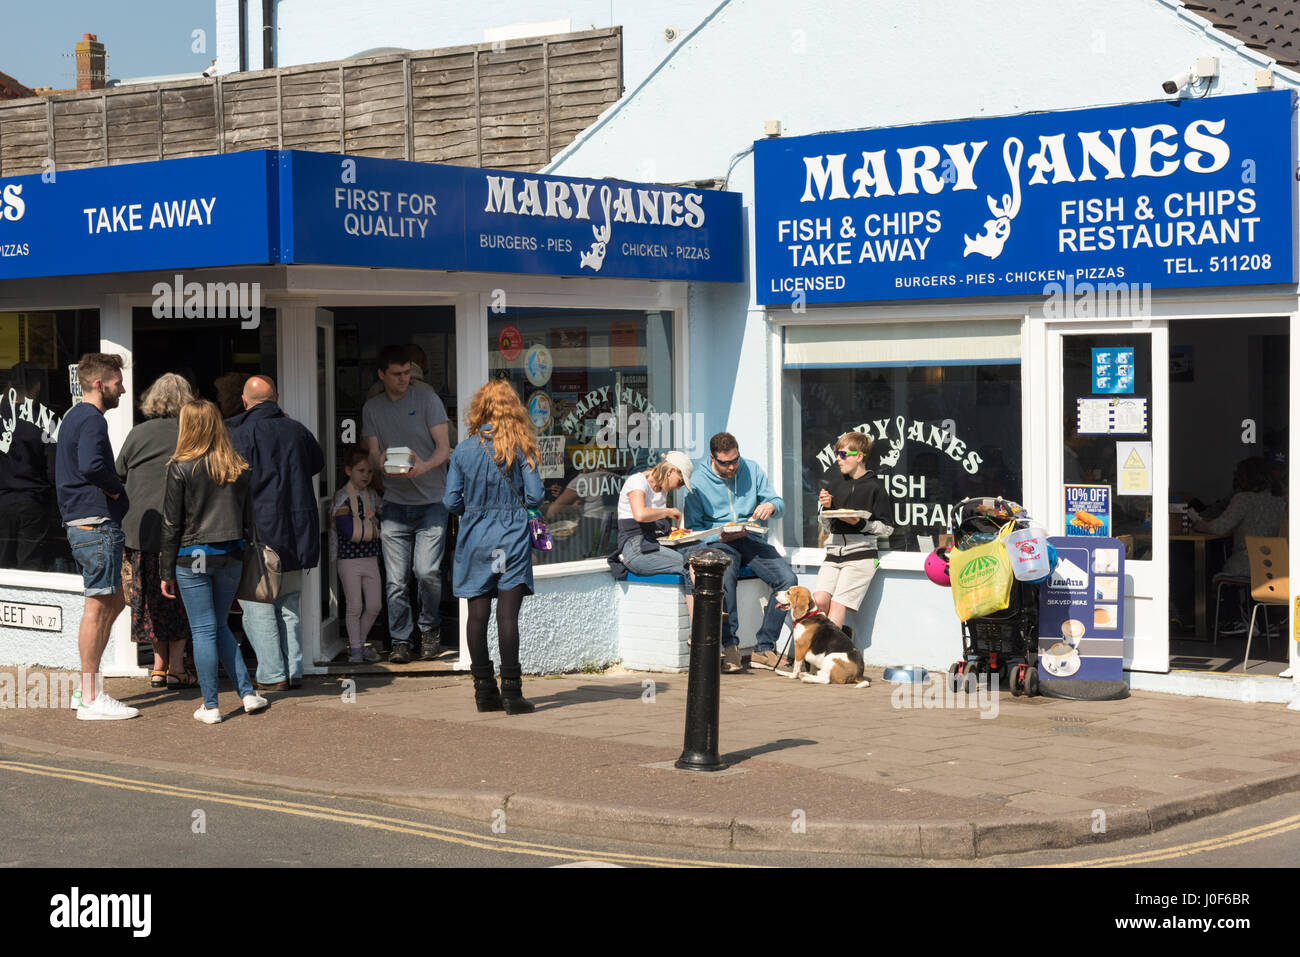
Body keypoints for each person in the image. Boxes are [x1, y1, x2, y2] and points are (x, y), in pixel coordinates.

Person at [159, 399, 268, 724]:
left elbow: (171, 524)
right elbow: (249, 518)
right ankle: (247, 693)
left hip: (193, 557)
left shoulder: (180, 466)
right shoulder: (237, 466)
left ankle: (210, 705)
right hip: (231, 555)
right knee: (218, 626)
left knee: (204, 630)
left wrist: (166, 570)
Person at [443, 380, 544, 714]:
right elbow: (535, 496)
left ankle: (484, 690)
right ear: (513, 409)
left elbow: (450, 501)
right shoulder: (521, 446)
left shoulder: (463, 449)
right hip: (511, 536)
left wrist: (475, 508)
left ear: (479, 408)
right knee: (507, 615)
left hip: (475, 536)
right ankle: (512, 694)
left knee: (477, 614)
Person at [225, 374, 325, 691]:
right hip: (297, 532)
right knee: (289, 603)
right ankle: (294, 670)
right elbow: (316, 463)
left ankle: (272, 673)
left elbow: (231, 480)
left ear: (244, 401)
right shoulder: (296, 430)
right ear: (277, 398)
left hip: (259, 533)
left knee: (258, 606)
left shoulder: (238, 432)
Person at [56, 353, 138, 719]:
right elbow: (91, 465)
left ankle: (87, 689)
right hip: (93, 524)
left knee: (115, 602)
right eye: (117, 381)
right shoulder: (90, 418)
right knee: (97, 605)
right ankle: (91, 696)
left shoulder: (74, 417)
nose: (122, 388)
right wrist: (117, 490)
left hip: (87, 521)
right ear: (98, 384)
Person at [362, 344, 452, 664]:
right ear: (382, 375)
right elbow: (371, 455)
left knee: (426, 571)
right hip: (396, 503)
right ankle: (400, 639)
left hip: (432, 501)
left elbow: (445, 448)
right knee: (396, 579)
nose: (404, 379)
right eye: (397, 374)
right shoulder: (372, 408)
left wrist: (423, 467)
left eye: (408, 374)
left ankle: (429, 629)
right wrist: (379, 460)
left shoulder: (427, 399)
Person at [683, 431, 798, 673]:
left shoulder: (752, 469)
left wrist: (770, 505)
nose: (732, 466)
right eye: (725, 463)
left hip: (751, 537)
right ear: (713, 458)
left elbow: (779, 503)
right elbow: (694, 529)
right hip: (720, 541)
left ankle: (764, 647)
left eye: (735, 460)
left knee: (787, 580)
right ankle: (730, 646)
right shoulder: (698, 482)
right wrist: (719, 535)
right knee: (726, 578)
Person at [116, 373, 196, 689]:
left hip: (140, 529)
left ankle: (158, 665)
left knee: (149, 599)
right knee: (178, 599)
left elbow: (118, 472)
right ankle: (176, 665)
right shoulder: (190, 433)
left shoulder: (138, 433)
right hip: (180, 531)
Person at [1193, 456, 1288, 636]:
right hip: (1276, 563)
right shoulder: (1278, 500)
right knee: (1242, 572)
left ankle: (1237, 620)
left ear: (1246, 477)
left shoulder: (1243, 498)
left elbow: (1219, 527)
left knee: (1219, 572)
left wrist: (1198, 523)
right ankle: (1263, 622)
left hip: (1248, 560)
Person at [815, 431, 893, 628]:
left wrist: (859, 523)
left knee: (837, 606)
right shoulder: (834, 484)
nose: (838, 460)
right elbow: (825, 525)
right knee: (819, 601)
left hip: (862, 554)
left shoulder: (875, 487)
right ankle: (836, 641)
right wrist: (826, 508)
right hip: (833, 552)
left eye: (842, 455)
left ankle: (827, 655)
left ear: (859, 457)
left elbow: (887, 528)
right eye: (836, 455)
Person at [609, 452, 696, 617]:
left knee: (700, 557)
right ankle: (698, 626)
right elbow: (640, 514)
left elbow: (653, 524)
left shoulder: (661, 490)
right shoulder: (637, 481)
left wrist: (674, 532)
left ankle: (701, 623)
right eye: (680, 482)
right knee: (688, 565)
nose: (679, 487)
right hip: (634, 549)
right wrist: (668, 511)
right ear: (670, 471)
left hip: (650, 544)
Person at [0, 362, 58, 570]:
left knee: (2, 565)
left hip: (3, 500)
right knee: (31, 567)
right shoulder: (46, 419)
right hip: (33, 501)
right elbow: (53, 470)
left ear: (9, 384)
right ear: (37, 386)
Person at [331, 446, 383, 663]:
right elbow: (349, 532)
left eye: (370, 472)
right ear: (348, 471)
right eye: (361, 471)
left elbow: (381, 516)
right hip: (349, 559)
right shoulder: (342, 496)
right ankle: (356, 650)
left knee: (374, 606)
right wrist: (371, 529)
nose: (366, 476)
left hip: (371, 558)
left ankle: (359, 645)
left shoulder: (372, 495)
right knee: (355, 606)